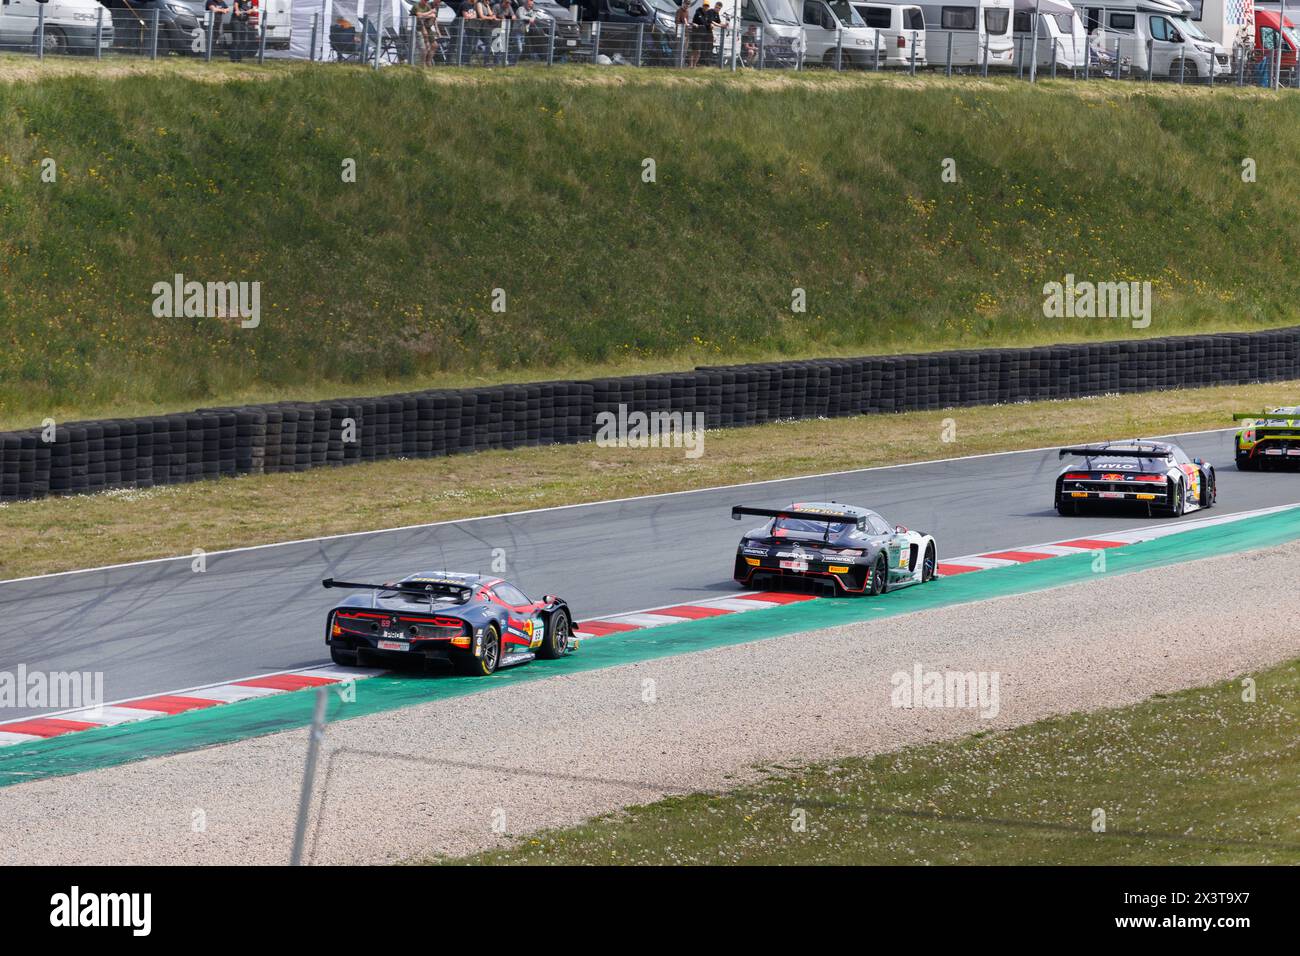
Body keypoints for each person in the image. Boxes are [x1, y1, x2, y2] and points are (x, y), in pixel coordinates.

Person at [412, 0, 439, 65]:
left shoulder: (427, 6)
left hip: (427, 27)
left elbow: (433, 16)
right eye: (425, 0)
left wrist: (424, 15)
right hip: (418, 27)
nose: (426, 1)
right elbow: (419, 15)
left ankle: (428, 61)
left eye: (427, 0)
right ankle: (422, 64)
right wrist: (429, 13)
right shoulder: (416, 5)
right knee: (424, 47)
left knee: (434, 45)